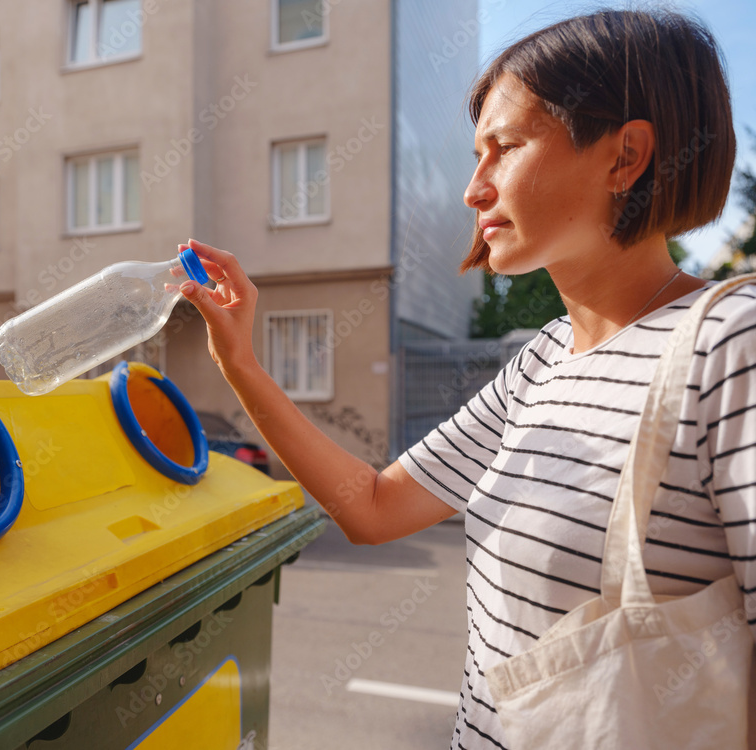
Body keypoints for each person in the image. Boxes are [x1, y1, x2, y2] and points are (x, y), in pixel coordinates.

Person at [177, 9, 755, 749]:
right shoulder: (542, 361)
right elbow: (375, 508)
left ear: (626, 157)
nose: (473, 190)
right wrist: (242, 364)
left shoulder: (730, 345)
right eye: (475, 155)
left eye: (505, 148)